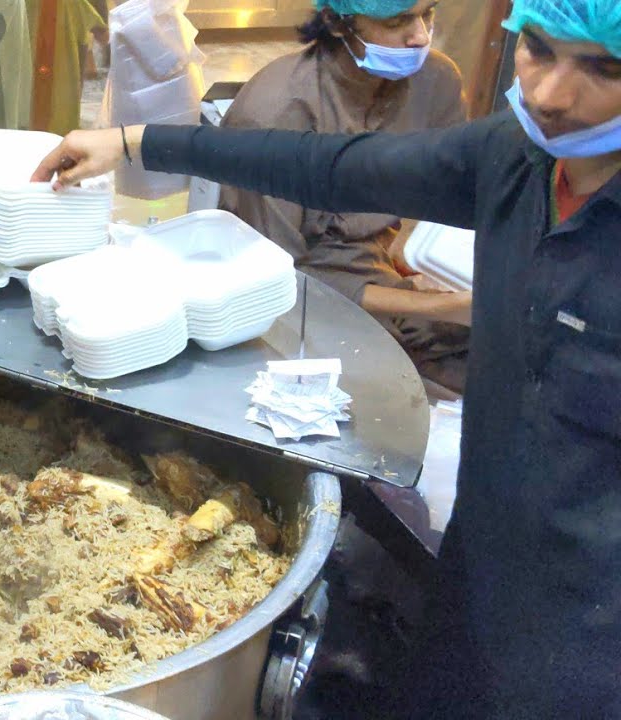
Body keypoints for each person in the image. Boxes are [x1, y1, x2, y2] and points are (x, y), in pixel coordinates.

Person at [32, 0, 621, 716]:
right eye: (537, 49)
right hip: (480, 563)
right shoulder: (518, 158)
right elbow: (334, 167)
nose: (551, 95)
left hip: (592, 622)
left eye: (604, 69)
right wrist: (135, 141)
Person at [219, 0, 472, 392]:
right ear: (336, 22)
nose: (420, 36)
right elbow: (279, 285)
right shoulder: (276, 115)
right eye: (397, 20)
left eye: (429, 13)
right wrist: (439, 307)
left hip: (385, 277)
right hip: (307, 308)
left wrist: (429, 267)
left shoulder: (435, 82)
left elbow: (453, 190)